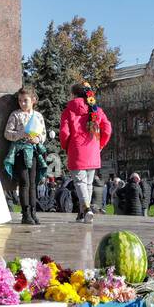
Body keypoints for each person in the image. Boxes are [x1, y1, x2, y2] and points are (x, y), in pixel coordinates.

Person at [58, 82, 113, 223]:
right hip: (93, 149)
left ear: (74, 94)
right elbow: (107, 128)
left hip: (76, 149)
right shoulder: (96, 110)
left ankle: (87, 208)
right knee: (88, 183)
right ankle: (83, 213)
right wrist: (100, 145)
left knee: (80, 182)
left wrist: (66, 146)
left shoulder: (69, 110)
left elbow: (64, 132)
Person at [3, 86, 47, 226]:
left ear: (33, 100)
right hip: (20, 151)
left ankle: (34, 212)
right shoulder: (16, 115)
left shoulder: (38, 116)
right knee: (24, 182)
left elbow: (43, 133)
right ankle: (25, 213)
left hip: (33, 151)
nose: (22, 103)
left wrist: (38, 139)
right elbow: (7, 133)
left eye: (25, 100)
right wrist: (20, 134)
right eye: (20, 101)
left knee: (33, 183)